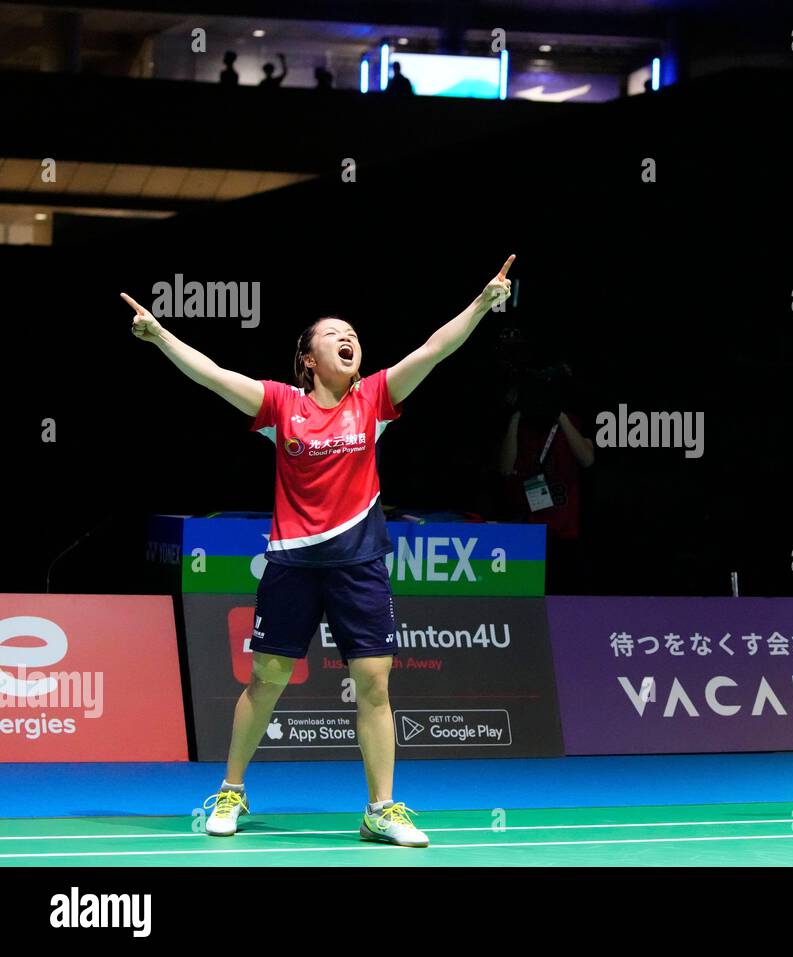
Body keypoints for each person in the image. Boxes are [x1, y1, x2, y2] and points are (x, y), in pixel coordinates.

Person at [121, 254, 515, 846]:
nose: (348, 339)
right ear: (308, 358)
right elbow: (210, 373)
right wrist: (160, 336)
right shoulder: (281, 405)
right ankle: (231, 789)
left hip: (359, 562)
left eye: (352, 334)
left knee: (375, 682)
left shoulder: (375, 399)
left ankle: (382, 808)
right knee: (268, 678)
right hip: (293, 563)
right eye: (333, 335)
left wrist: (483, 304)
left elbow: (434, 350)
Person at [497, 361, 594, 593]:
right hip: (527, 530)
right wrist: (516, 416)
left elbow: (587, 459)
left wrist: (558, 414)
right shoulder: (519, 425)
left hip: (565, 531)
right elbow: (504, 467)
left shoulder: (573, 421)